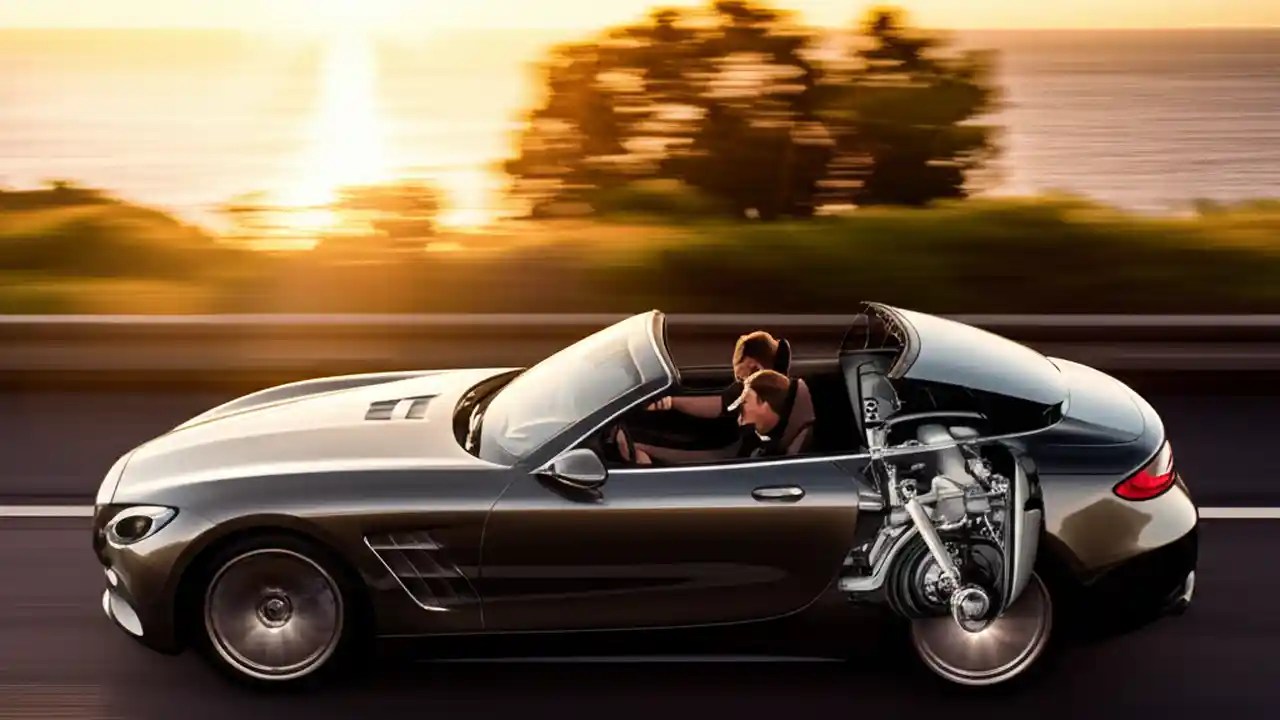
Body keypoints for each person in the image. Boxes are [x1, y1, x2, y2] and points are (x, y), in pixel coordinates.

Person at [621, 368, 814, 464]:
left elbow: (716, 462)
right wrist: (670, 402)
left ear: (764, 404)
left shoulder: (771, 457)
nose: (739, 407)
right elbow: (714, 455)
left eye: (745, 402)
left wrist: (651, 469)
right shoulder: (759, 439)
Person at [644, 330, 789, 418]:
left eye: (739, 361)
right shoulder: (773, 388)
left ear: (754, 367)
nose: (737, 378)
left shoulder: (757, 392)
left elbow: (719, 404)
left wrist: (668, 402)